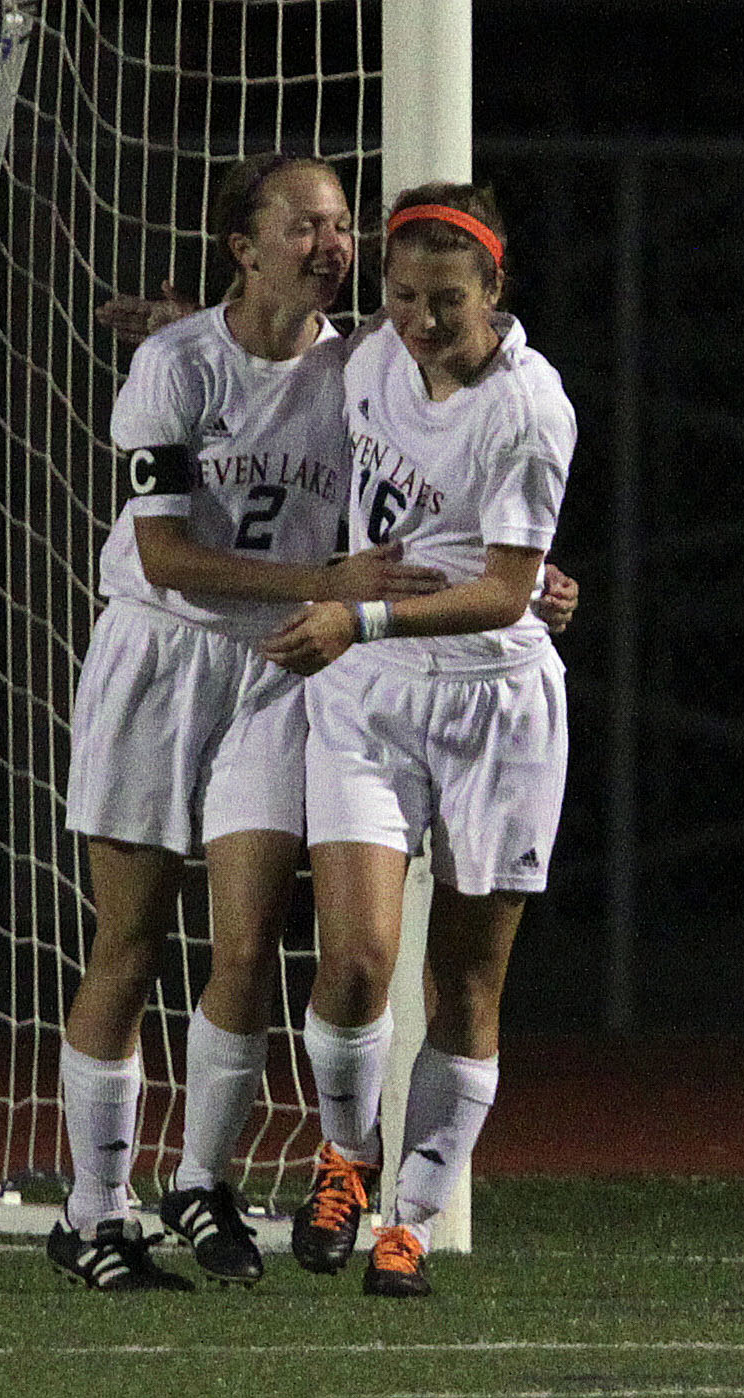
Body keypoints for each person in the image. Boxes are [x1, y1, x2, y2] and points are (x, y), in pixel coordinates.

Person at [50, 153, 445, 1292]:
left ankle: (201, 1181)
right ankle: (91, 1211)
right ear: (245, 244)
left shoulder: (364, 366)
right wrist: (326, 578)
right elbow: (167, 557)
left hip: (276, 674)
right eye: (308, 223)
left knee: (248, 942)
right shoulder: (172, 367)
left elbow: (456, 444)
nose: (335, 242)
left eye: (342, 225)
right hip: (158, 661)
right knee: (128, 943)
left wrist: (536, 570)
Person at [263, 183, 576, 1298]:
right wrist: (186, 332)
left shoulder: (531, 411)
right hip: (373, 690)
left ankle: (412, 1216)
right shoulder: (370, 355)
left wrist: (362, 612)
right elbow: (283, 357)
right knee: (351, 963)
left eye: (448, 299)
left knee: (466, 986)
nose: (422, 321)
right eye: (403, 296)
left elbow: (502, 592)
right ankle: (346, 1154)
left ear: (496, 288)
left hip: (496, 708)